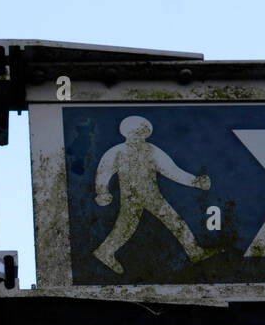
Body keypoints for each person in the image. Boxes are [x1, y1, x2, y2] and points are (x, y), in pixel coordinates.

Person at [92, 115, 214, 274]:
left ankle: (195, 251)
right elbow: (104, 172)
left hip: (152, 196)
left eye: (141, 132)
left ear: (146, 133)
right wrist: (102, 191)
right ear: (126, 133)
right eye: (135, 132)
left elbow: (172, 170)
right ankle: (105, 252)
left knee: (171, 221)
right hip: (132, 197)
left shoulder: (151, 150)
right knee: (127, 227)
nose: (137, 136)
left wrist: (194, 181)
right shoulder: (117, 152)